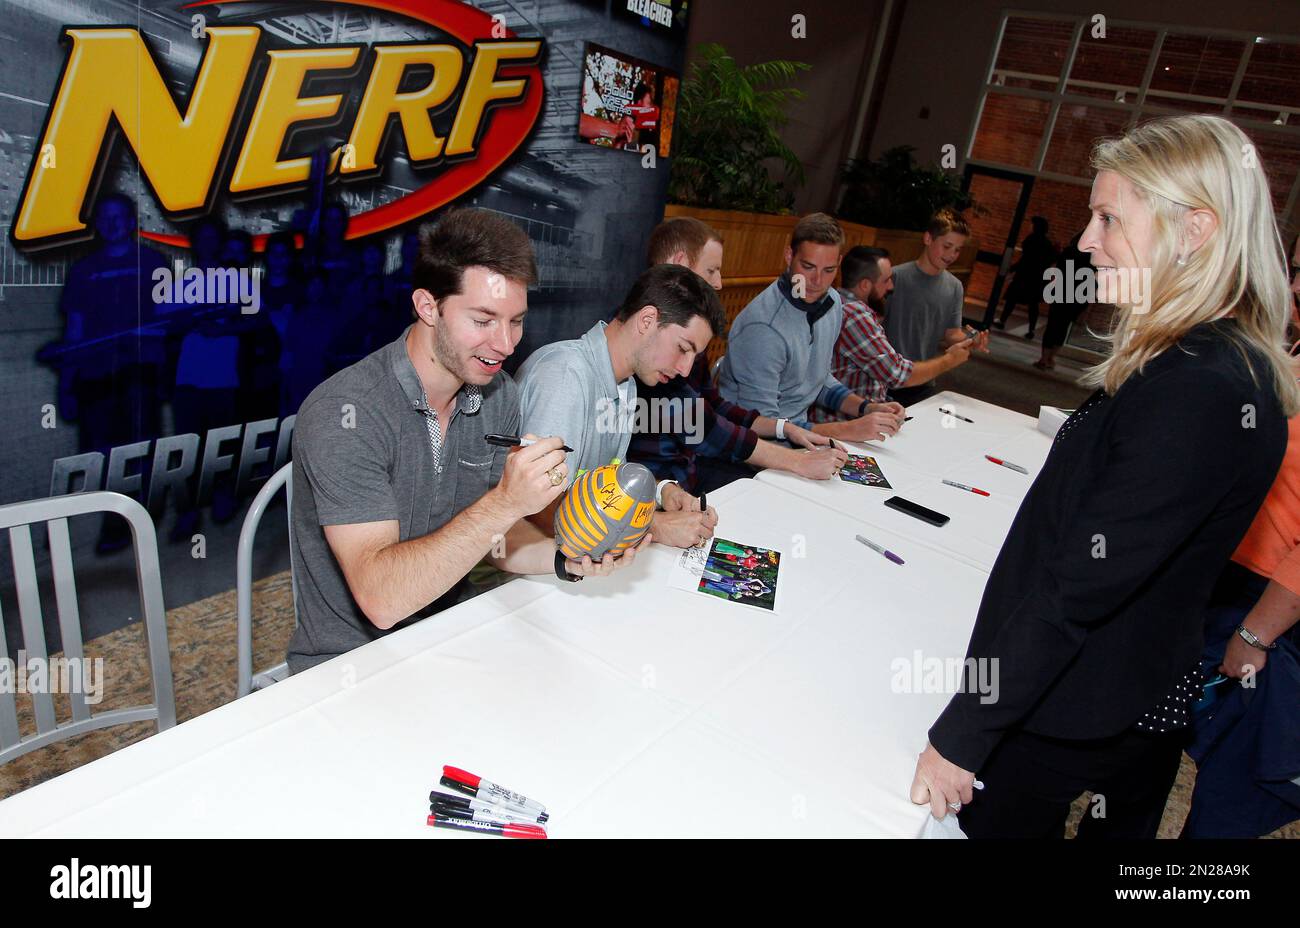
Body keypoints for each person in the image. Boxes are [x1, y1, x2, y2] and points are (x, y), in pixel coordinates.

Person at [909, 114, 1299, 838]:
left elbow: (1081, 589)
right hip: (1124, 693)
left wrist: (964, 732)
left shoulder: (1199, 386)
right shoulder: (1208, 361)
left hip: (1076, 707)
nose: (1086, 241)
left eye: (1109, 218)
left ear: (1196, 231)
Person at [287, 209, 644, 674]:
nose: (506, 344)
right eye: (483, 320)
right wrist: (505, 502)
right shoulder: (344, 413)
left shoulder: (498, 397)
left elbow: (492, 540)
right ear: (428, 307)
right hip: (350, 665)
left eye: (516, 321)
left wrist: (566, 559)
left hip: (451, 636)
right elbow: (381, 599)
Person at [1181, 248, 1300, 838]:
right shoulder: (1292, 352)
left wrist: (1256, 634)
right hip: (1230, 579)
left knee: (1229, 798)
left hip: (1270, 607)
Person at [628, 217, 847, 493]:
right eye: (712, 270)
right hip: (662, 480)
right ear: (680, 263)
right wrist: (796, 461)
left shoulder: (687, 331)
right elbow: (705, 428)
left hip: (688, 466)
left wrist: (783, 428)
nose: (719, 283)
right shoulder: (656, 344)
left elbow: (713, 405)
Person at [517, 264, 726, 549]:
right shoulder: (565, 376)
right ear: (647, 320)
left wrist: (662, 494)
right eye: (683, 348)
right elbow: (538, 509)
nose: (686, 369)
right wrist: (654, 525)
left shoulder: (625, 382)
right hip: (523, 568)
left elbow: (604, 484)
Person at [717, 213, 906, 443]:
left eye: (829, 270)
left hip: (800, 440)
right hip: (753, 451)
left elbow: (818, 380)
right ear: (789, 256)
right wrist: (848, 430)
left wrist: (867, 408)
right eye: (808, 267)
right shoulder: (763, 329)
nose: (817, 280)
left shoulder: (833, 302)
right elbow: (762, 426)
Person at [54, 193, 169, 553]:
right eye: (106, 217)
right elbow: (74, 331)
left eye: (119, 215)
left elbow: (167, 322)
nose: (113, 222)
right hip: (95, 379)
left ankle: (141, 522)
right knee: (104, 457)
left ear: (132, 220)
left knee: (139, 453)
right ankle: (115, 524)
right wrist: (67, 383)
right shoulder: (83, 271)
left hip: (139, 377)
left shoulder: (153, 262)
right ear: (98, 225)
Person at [815, 245, 986, 414]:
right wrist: (949, 360)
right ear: (865, 285)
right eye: (886, 280)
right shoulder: (855, 315)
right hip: (847, 421)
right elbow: (898, 374)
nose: (890, 287)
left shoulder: (834, 300)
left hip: (858, 411)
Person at [884, 207, 977, 406]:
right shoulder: (895, 277)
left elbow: (951, 334)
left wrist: (972, 339)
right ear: (928, 239)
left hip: (924, 380)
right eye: (947, 246)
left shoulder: (954, 287)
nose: (952, 255)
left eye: (958, 250)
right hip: (886, 379)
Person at [990, 216, 1059, 339]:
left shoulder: (1031, 240)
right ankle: (1031, 330)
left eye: (1032, 224)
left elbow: (1026, 259)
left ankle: (1002, 321)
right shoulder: (1047, 243)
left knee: (1012, 299)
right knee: (1033, 304)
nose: (1030, 226)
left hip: (1024, 275)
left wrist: (1012, 269)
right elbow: (1051, 260)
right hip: (1038, 277)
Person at [1035, 231, 1091, 371]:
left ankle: (1044, 358)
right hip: (1078, 296)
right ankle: (1051, 358)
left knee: (1052, 325)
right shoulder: (1091, 257)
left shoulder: (1069, 251)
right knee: (1063, 327)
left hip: (1061, 292)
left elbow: (1057, 272)